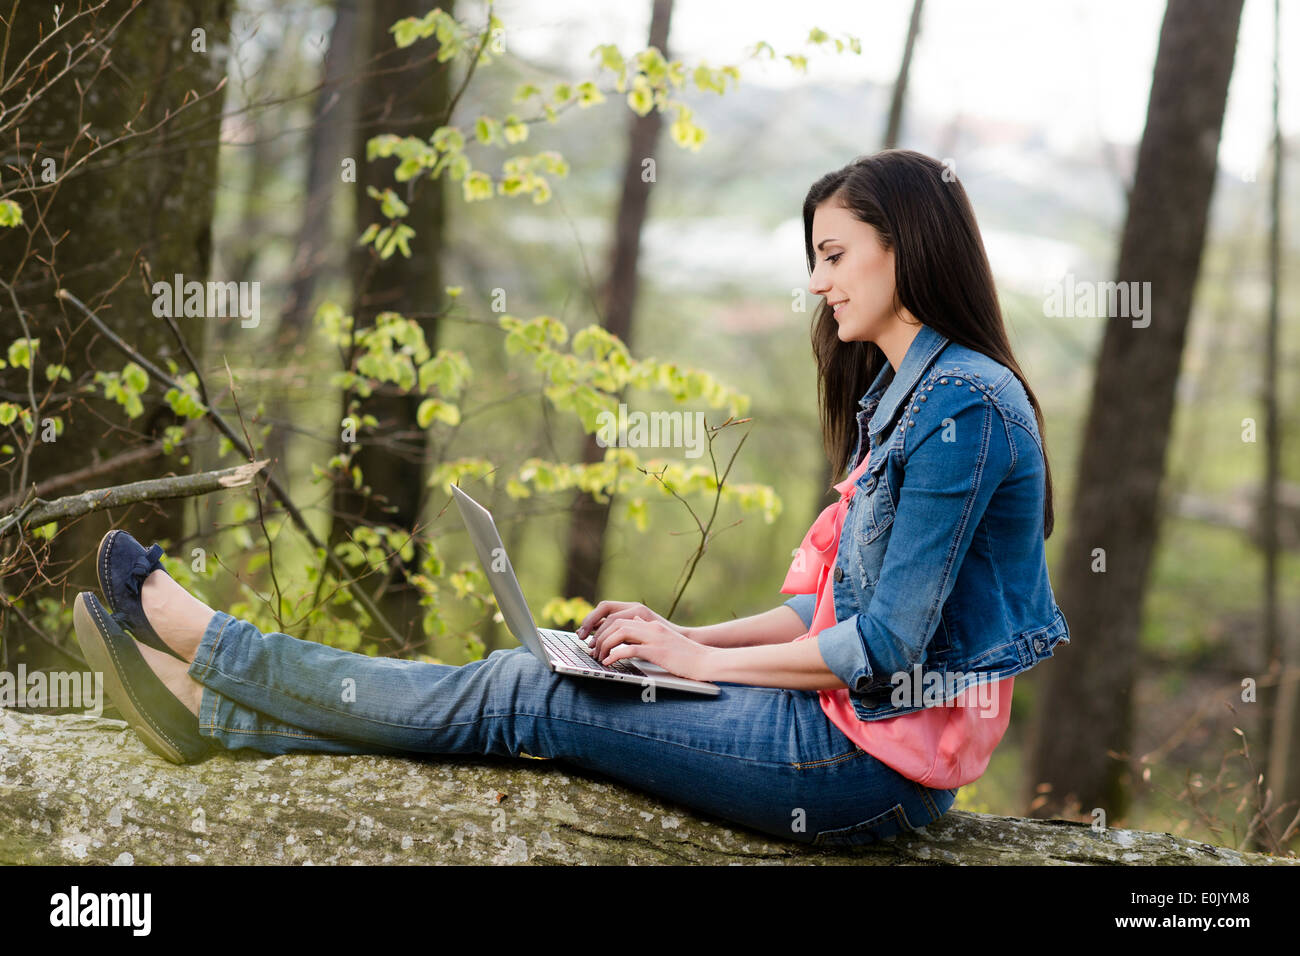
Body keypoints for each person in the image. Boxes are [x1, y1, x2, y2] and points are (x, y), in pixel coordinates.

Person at [72, 148, 1069, 848]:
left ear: (909, 245)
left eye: (835, 254)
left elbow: (883, 647)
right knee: (550, 667)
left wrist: (683, 659)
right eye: (813, 256)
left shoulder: (962, 410)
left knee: (532, 692)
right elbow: (828, 610)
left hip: (861, 772)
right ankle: (221, 712)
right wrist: (682, 637)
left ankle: (224, 654)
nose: (817, 281)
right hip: (843, 731)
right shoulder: (906, 395)